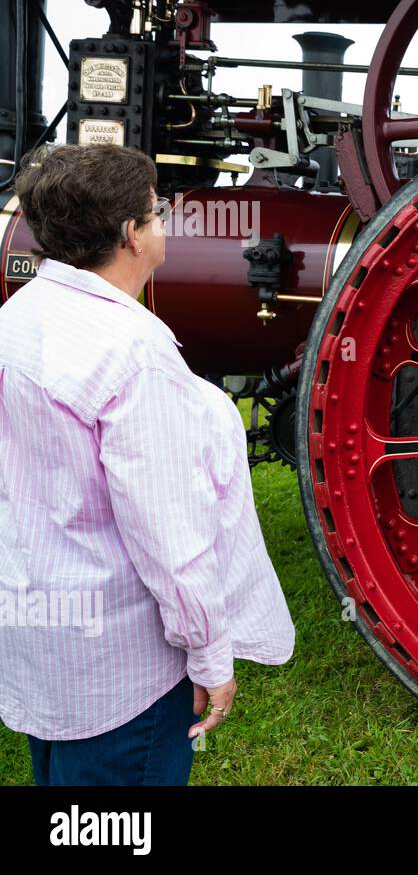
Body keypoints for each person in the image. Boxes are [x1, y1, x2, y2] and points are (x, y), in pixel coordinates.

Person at [0, 143, 295, 785]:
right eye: (156, 212)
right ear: (133, 235)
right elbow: (170, 534)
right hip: (122, 664)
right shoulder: (134, 352)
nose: (163, 223)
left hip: (39, 634)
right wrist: (211, 656)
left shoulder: (16, 318)